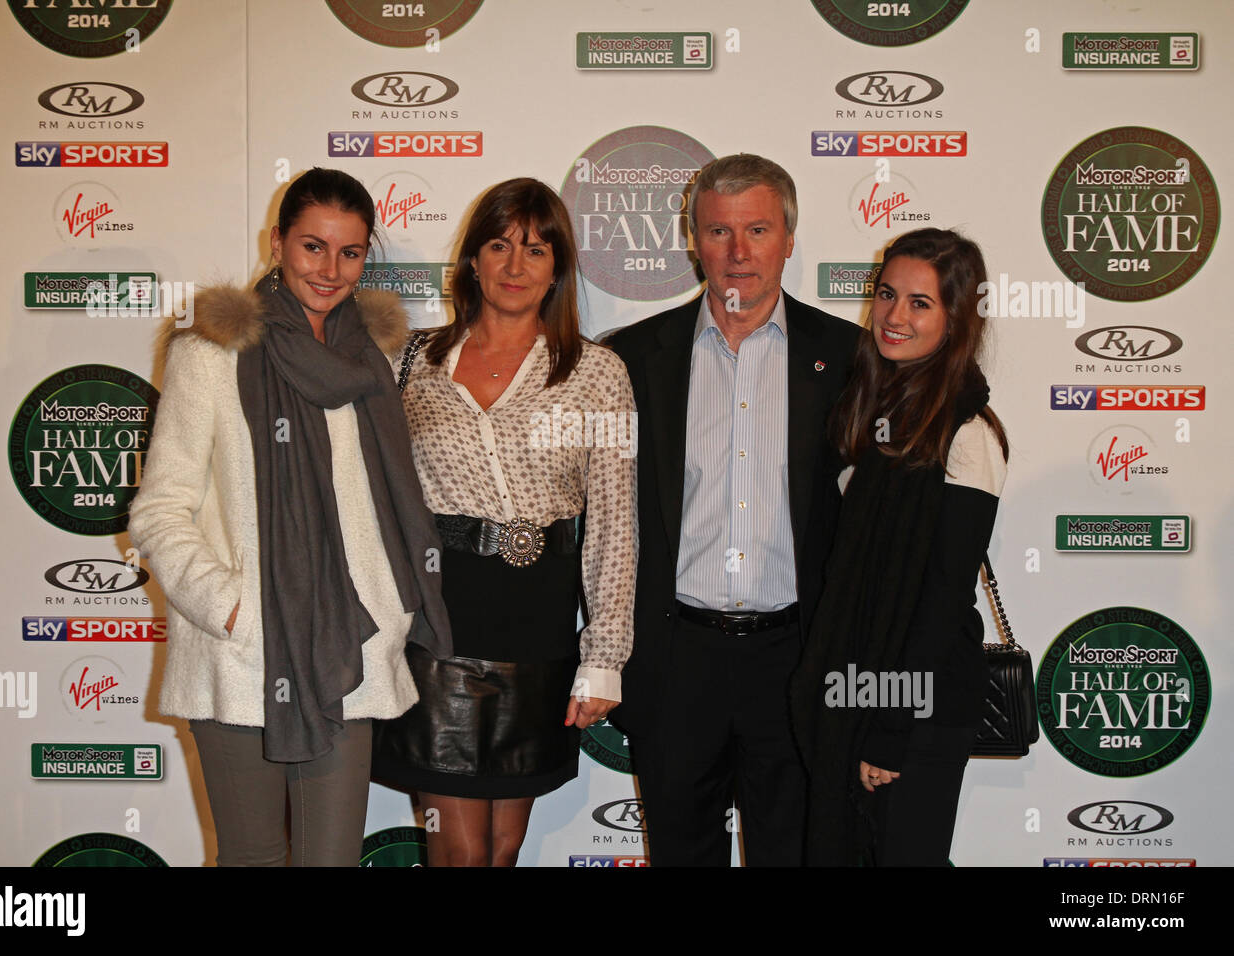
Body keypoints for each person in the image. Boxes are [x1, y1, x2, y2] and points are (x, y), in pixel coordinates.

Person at [128, 167, 451, 867]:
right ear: (276, 243)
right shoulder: (211, 350)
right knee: (252, 858)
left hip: (350, 646)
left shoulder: (375, 356)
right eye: (312, 247)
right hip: (242, 651)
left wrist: (390, 607)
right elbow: (159, 510)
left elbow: (387, 505)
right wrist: (235, 608)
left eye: (350, 252)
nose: (330, 270)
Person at [372, 178, 638, 866]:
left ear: (559, 269)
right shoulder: (413, 361)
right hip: (437, 619)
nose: (516, 266)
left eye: (537, 250)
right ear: (472, 260)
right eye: (500, 246)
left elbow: (614, 522)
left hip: (537, 621)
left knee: (503, 845)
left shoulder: (599, 373)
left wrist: (604, 654)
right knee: (458, 851)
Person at [606, 154, 859, 866]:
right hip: (677, 660)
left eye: (757, 230)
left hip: (798, 662)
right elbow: (604, 524)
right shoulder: (629, 359)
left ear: (789, 235)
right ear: (693, 241)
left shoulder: (849, 358)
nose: (738, 252)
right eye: (719, 232)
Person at [790, 227, 1009, 866]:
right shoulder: (867, 413)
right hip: (851, 689)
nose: (894, 316)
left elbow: (941, 603)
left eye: (921, 303)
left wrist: (889, 727)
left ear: (956, 318)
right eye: (888, 295)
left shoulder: (968, 435)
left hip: (918, 707)